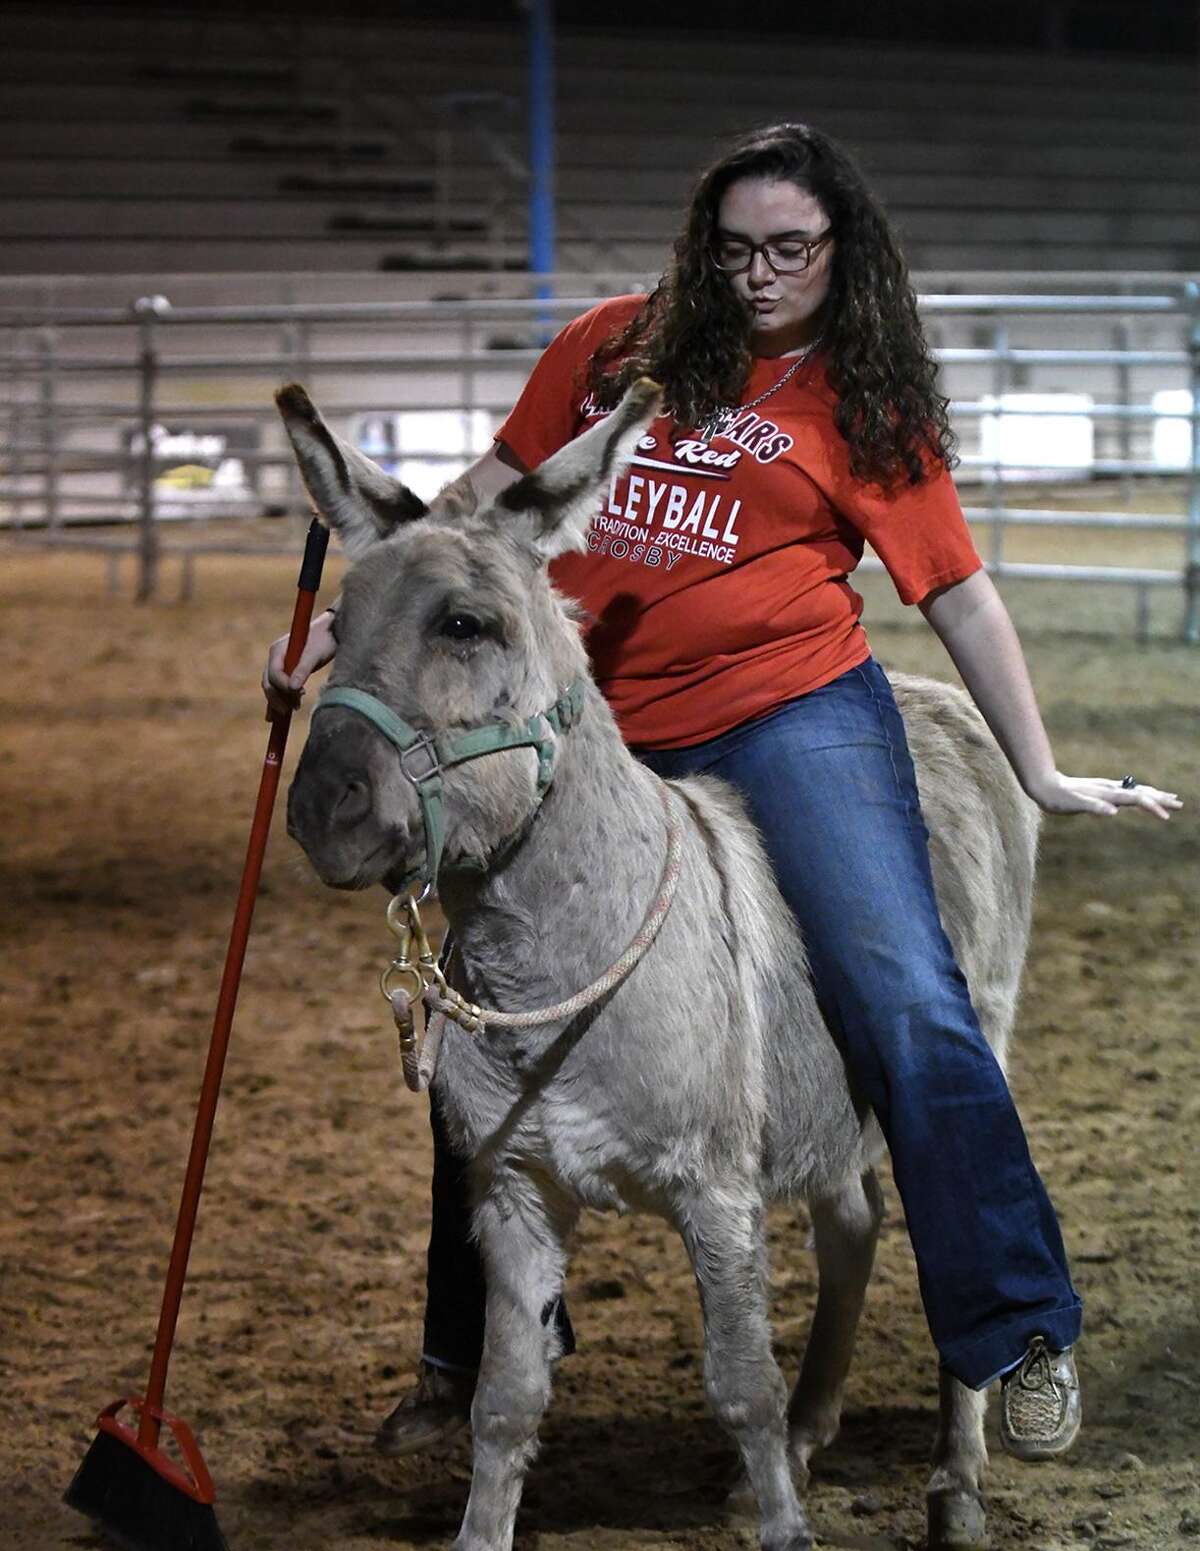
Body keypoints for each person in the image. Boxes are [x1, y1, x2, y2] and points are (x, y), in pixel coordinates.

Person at [265, 122, 1180, 1467]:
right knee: (489, 1020)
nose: (759, 274)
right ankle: (467, 1356)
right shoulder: (605, 350)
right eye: (736, 246)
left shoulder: (864, 401)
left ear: (839, 253)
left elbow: (960, 593)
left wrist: (1034, 766)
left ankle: (1019, 1326)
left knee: (905, 994)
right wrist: (329, 638)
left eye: (790, 250)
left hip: (787, 717)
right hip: (594, 725)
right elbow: (470, 512)